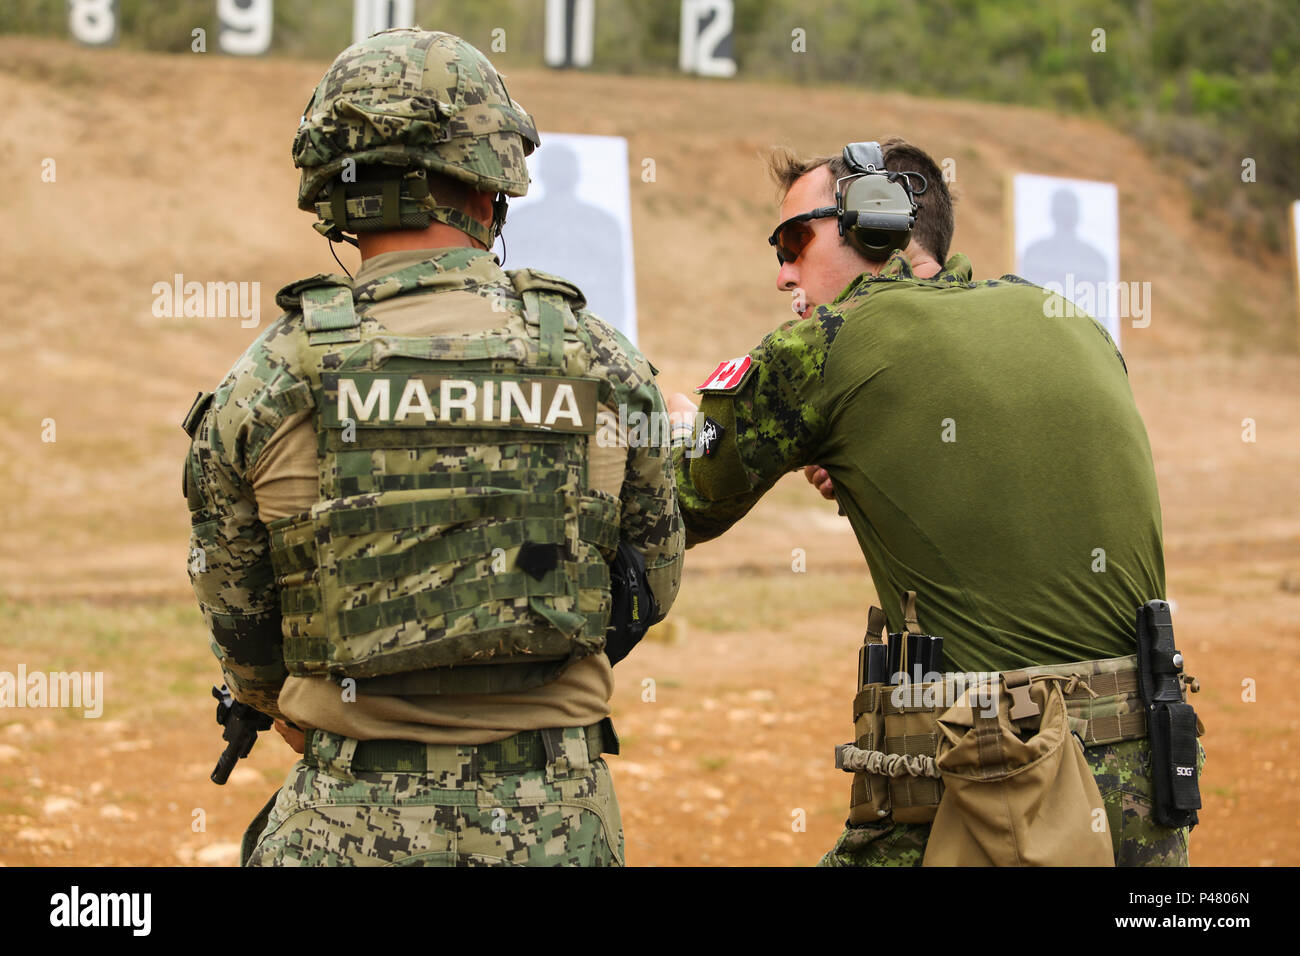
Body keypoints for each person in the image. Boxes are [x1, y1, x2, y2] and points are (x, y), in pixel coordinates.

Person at [182, 28, 683, 867]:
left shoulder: (266, 384)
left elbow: (247, 636)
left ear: (334, 195)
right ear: (491, 192)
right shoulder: (603, 363)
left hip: (343, 819)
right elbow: (648, 587)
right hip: (558, 821)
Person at [666, 138, 1201, 866]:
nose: (783, 272)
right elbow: (1006, 488)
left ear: (873, 224)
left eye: (794, 240)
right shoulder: (1069, 320)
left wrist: (675, 427)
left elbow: (686, 502)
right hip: (1147, 786)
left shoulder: (823, 345)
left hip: (989, 782)